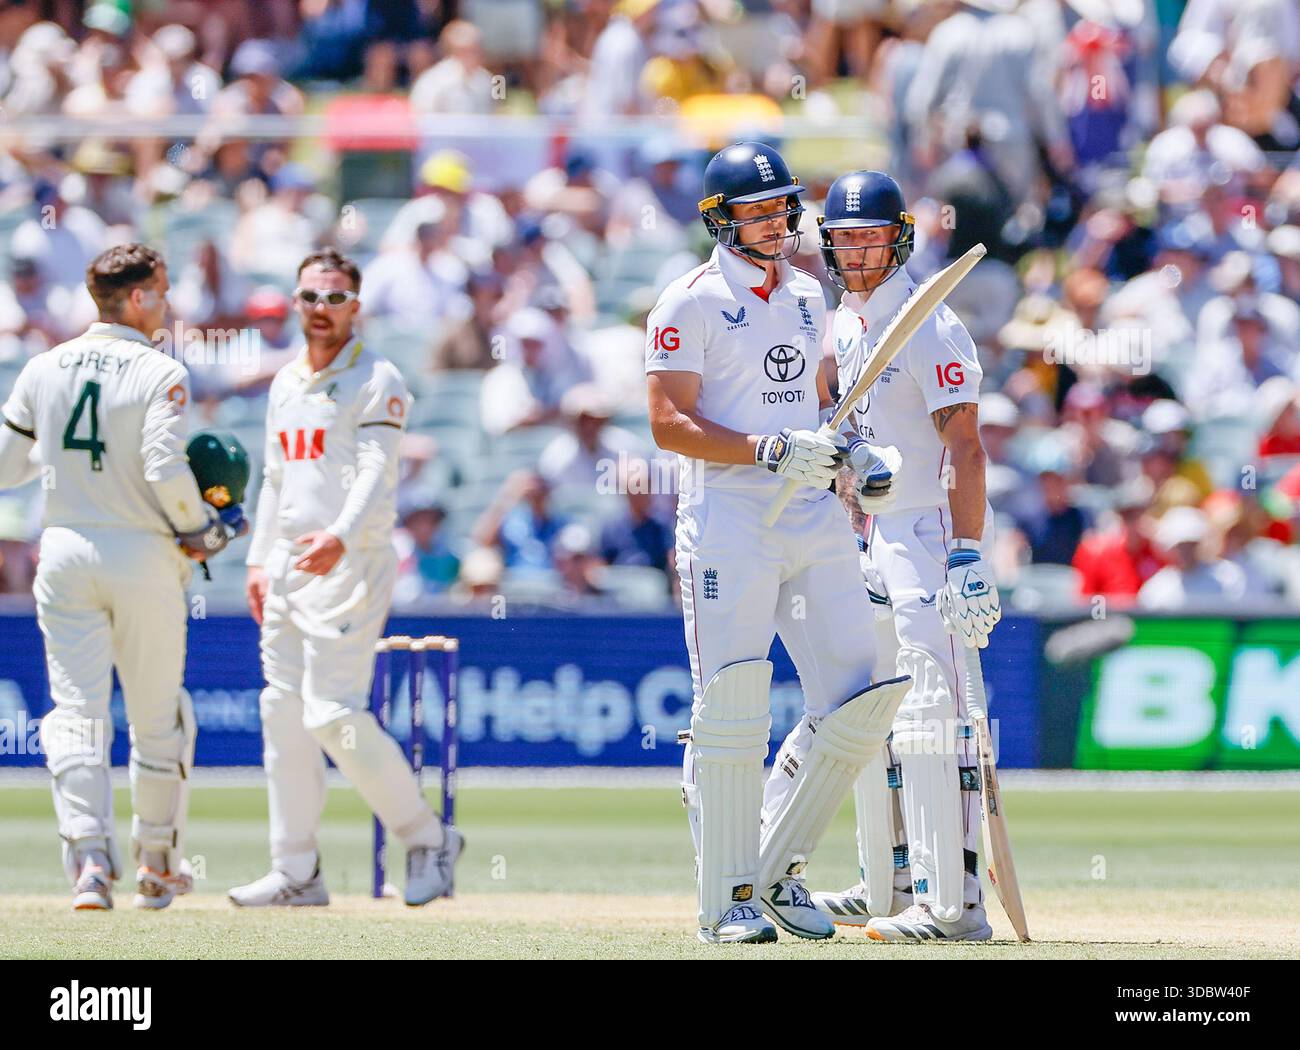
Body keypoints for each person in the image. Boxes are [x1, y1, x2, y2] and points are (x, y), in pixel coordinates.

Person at [645, 142, 911, 944]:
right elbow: (668, 423)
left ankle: (771, 865)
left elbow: (821, 402)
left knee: (858, 695)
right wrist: (762, 450)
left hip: (813, 511)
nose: (772, 221)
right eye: (754, 211)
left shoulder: (805, 292)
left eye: (780, 206)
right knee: (731, 705)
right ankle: (724, 896)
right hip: (730, 516)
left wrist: (856, 454)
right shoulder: (685, 301)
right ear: (719, 220)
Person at [0, 244, 239, 911]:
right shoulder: (161, 371)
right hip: (141, 553)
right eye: (161, 292)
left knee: (75, 711)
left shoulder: (44, 367)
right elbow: (164, 466)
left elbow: (4, 467)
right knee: (158, 716)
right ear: (137, 298)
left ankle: (88, 863)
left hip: (67, 548)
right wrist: (199, 527)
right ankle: (157, 865)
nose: (168, 304)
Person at [231, 249, 461, 908]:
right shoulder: (285, 382)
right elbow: (275, 478)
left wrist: (339, 535)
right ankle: (296, 871)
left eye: (335, 298)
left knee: (333, 715)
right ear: (295, 303)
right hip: (287, 566)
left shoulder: (377, 378)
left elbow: (374, 469)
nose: (322, 309)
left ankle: (427, 838)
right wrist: (256, 559)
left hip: (351, 560)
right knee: (282, 712)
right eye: (310, 297)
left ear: (355, 306)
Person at [808, 171, 1001, 942]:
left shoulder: (932, 324)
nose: (856, 250)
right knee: (875, 710)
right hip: (874, 536)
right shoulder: (845, 327)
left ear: (900, 240)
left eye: (870, 236)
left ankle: (953, 906)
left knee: (932, 713)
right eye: (844, 237)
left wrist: (966, 553)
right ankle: (886, 881)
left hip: (927, 535)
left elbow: (966, 445)